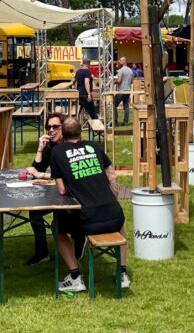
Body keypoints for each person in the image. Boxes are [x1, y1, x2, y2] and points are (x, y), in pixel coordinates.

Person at [49, 118, 130, 292]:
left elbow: (62, 190)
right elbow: (111, 173)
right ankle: (122, 273)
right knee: (121, 227)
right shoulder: (93, 146)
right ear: (81, 133)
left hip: (88, 221)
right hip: (115, 215)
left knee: (58, 228)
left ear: (62, 133)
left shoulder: (57, 152)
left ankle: (76, 277)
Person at [23, 113, 83, 266]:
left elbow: (68, 175)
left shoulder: (72, 146)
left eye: (55, 127)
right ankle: (42, 252)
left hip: (74, 194)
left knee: (63, 216)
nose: (51, 130)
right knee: (35, 212)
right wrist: (40, 148)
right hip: (58, 191)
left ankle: (79, 238)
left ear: (64, 128)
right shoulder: (52, 146)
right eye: (48, 127)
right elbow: (34, 170)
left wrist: (42, 175)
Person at [114, 56, 134, 126]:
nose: (119, 62)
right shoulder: (130, 70)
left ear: (124, 62)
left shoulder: (121, 70)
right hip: (128, 90)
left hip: (121, 90)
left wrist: (114, 81)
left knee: (114, 104)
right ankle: (125, 122)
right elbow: (132, 82)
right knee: (126, 106)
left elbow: (119, 81)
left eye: (120, 61)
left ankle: (115, 121)